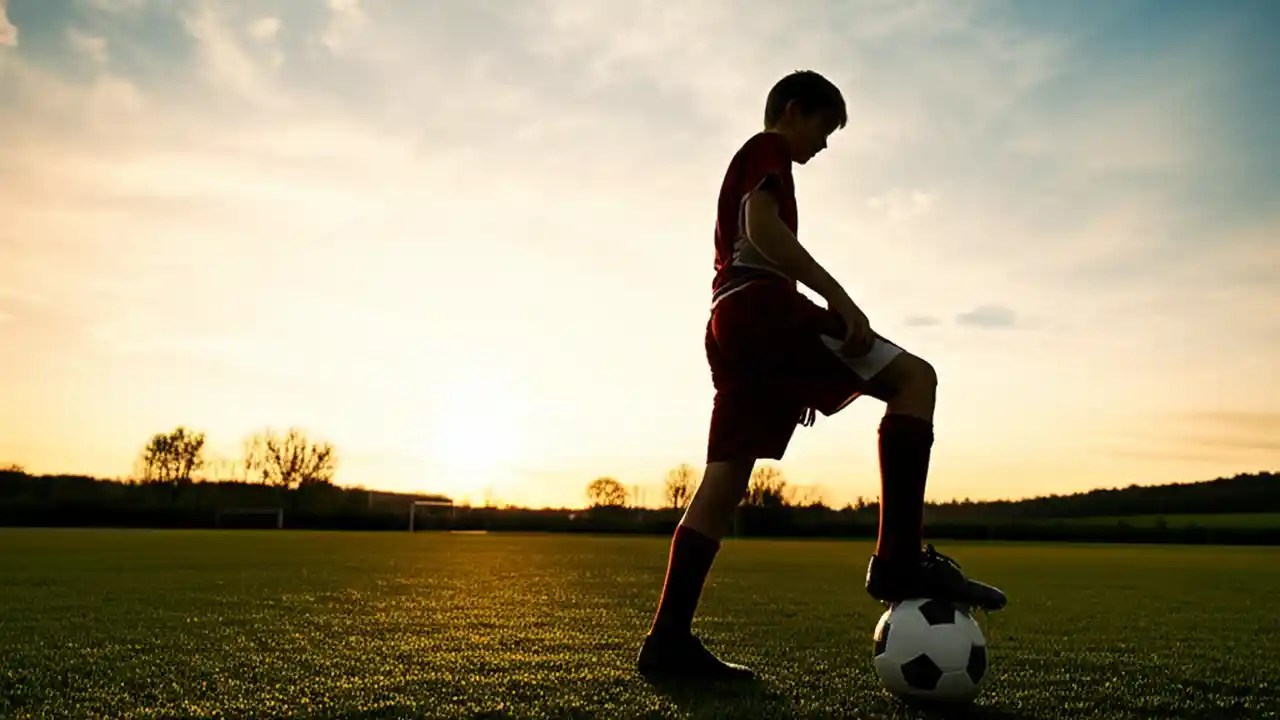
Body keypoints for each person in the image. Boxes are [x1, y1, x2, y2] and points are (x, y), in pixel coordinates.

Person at [636, 70, 1008, 682]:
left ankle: (667, 641)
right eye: (823, 127)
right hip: (764, 308)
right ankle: (897, 560)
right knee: (916, 379)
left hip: (726, 323)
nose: (824, 145)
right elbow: (763, 230)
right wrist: (839, 298)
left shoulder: (757, 161)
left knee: (723, 485)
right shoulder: (768, 150)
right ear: (792, 110)